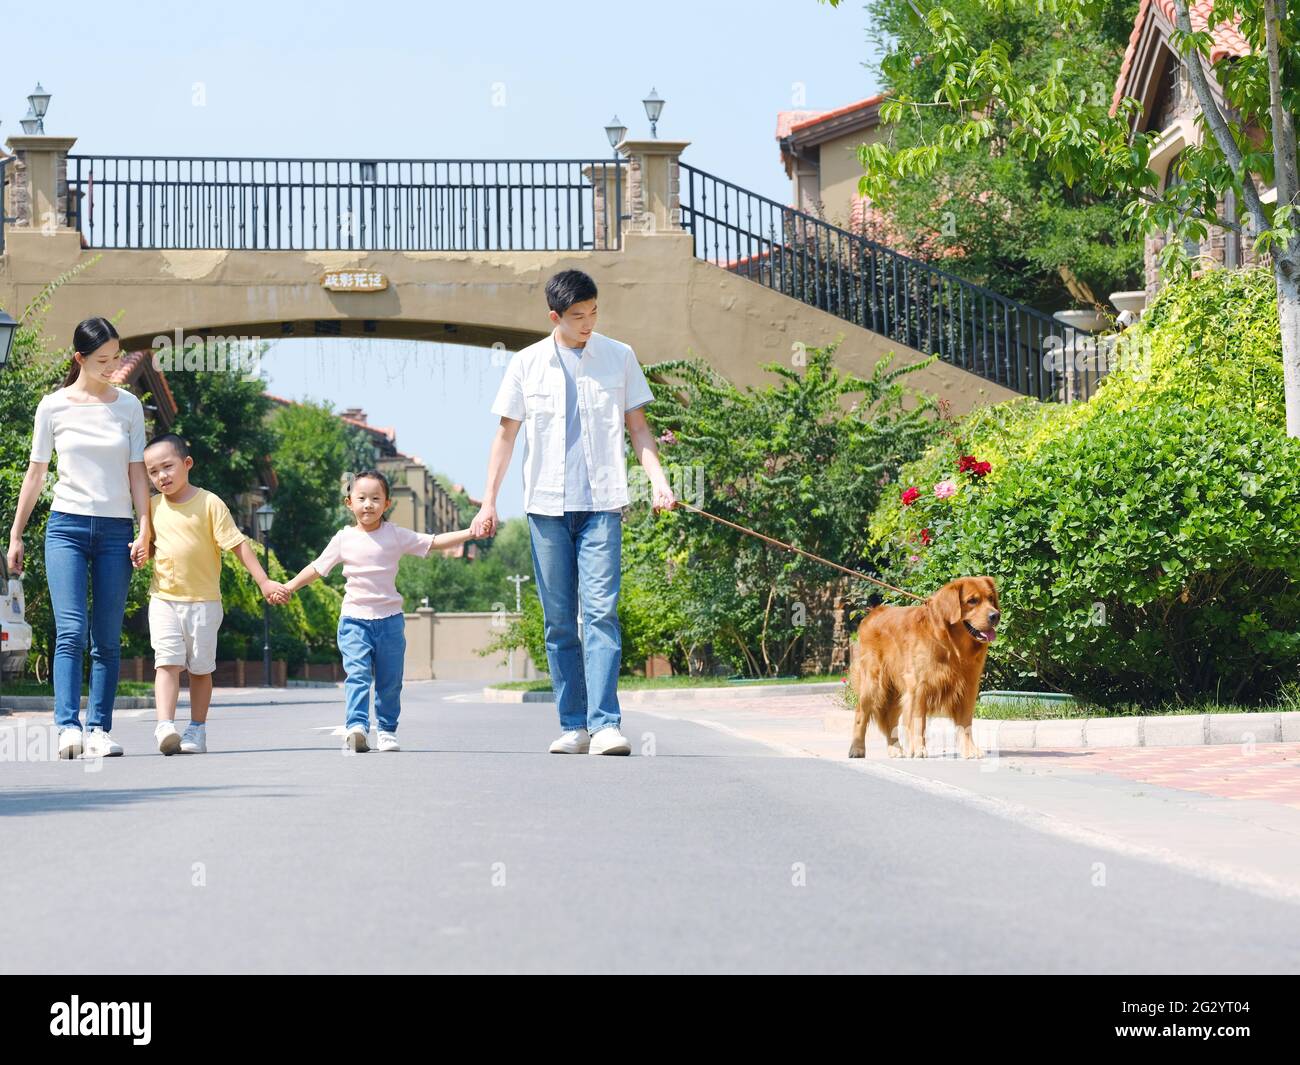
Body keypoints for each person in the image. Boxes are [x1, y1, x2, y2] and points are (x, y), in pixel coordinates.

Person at [471, 269, 676, 756]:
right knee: (560, 621)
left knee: (601, 613)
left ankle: (606, 724)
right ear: (555, 317)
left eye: (594, 313)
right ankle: (573, 725)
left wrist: (660, 483)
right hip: (545, 507)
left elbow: (640, 431)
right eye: (578, 317)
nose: (588, 324)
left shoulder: (619, 357)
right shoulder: (526, 364)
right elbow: (505, 436)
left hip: (602, 505)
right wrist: (489, 500)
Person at [7, 318, 152, 760]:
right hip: (65, 527)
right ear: (80, 359)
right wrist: (15, 535)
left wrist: (146, 525)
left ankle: (99, 729)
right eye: (102, 360)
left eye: (116, 357)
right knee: (71, 631)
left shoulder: (128, 407)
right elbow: (36, 474)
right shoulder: (52, 406)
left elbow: (136, 473)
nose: (112, 367)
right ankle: (67, 726)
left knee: (107, 638)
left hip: (115, 530)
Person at [282, 470, 475, 753]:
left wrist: (471, 532)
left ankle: (386, 730)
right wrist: (288, 587)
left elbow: (432, 542)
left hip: (390, 622)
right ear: (349, 503)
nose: (368, 504)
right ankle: (357, 727)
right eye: (361, 498)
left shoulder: (395, 535)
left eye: (376, 498)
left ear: (387, 504)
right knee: (357, 674)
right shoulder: (343, 539)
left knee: (390, 681)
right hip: (354, 620)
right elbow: (317, 568)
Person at [142, 433, 288, 755]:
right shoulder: (151, 507)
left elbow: (239, 545)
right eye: (153, 472)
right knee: (165, 662)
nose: (161, 476)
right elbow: (150, 547)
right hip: (164, 597)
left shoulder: (209, 503)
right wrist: (141, 552)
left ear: (187, 464)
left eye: (168, 466)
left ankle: (197, 729)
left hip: (204, 603)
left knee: (200, 669)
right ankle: (165, 726)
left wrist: (264, 581)